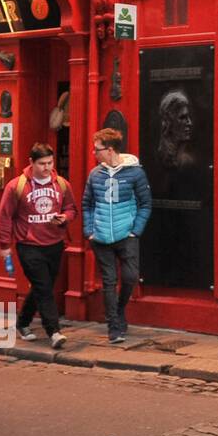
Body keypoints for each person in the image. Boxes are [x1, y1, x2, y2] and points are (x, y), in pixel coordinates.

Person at [0, 143, 76, 349]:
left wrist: (64, 218)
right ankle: (54, 331)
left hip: (54, 243)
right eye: (42, 163)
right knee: (43, 286)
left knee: (44, 286)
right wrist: (4, 244)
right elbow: (5, 217)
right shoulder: (16, 186)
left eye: (50, 162)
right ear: (31, 162)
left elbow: (71, 208)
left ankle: (22, 323)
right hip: (28, 244)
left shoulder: (62, 184)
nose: (47, 167)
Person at [82, 127, 152, 343]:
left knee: (130, 277)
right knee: (109, 281)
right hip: (101, 237)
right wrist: (89, 231)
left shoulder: (135, 173)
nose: (95, 153)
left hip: (126, 235)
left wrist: (135, 231)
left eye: (97, 150)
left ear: (110, 150)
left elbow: (146, 203)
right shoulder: (95, 175)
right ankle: (114, 327)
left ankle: (119, 311)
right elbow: (87, 204)